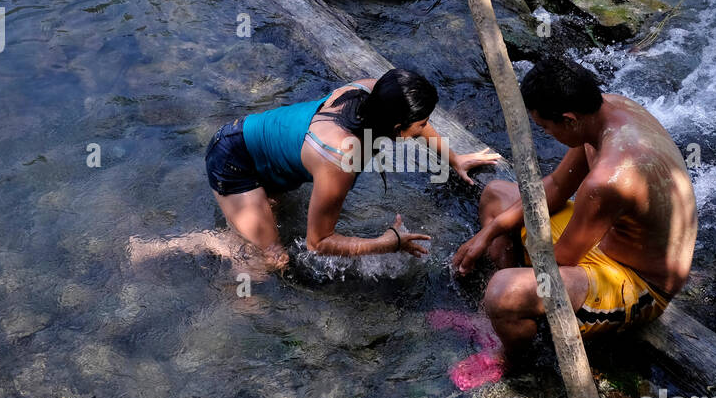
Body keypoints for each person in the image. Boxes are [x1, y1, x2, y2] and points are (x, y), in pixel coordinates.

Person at [451, 57, 697, 361]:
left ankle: (512, 355)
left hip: (636, 283)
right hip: (600, 242)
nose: (547, 135)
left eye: (545, 127)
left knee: (504, 292)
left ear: (569, 119)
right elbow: (556, 185)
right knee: (496, 196)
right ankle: (506, 316)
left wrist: (511, 276)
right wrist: (490, 232)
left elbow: (560, 259)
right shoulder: (605, 110)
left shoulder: (609, 178)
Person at [196, 68, 502, 271]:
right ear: (397, 127)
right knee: (272, 261)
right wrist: (386, 244)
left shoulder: (371, 93)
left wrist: (455, 158)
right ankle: (192, 243)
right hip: (233, 160)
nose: (425, 128)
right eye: (420, 123)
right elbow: (318, 243)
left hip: (261, 152)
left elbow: (416, 123)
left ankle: (244, 222)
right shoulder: (342, 156)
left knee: (276, 214)